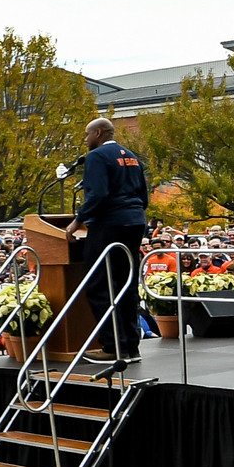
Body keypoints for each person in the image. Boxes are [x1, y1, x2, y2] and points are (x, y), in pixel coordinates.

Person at [66, 116, 149, 361]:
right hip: (135, 222)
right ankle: (131, 347)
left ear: (99, 133)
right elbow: (143, 196)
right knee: (126, 285)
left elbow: (98, 193)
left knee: (99, 285)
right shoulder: (132, 156)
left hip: (109, 225)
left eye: (87, 134)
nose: (85, 139)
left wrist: (77, 221)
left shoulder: (96, 157)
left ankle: (113, 347)